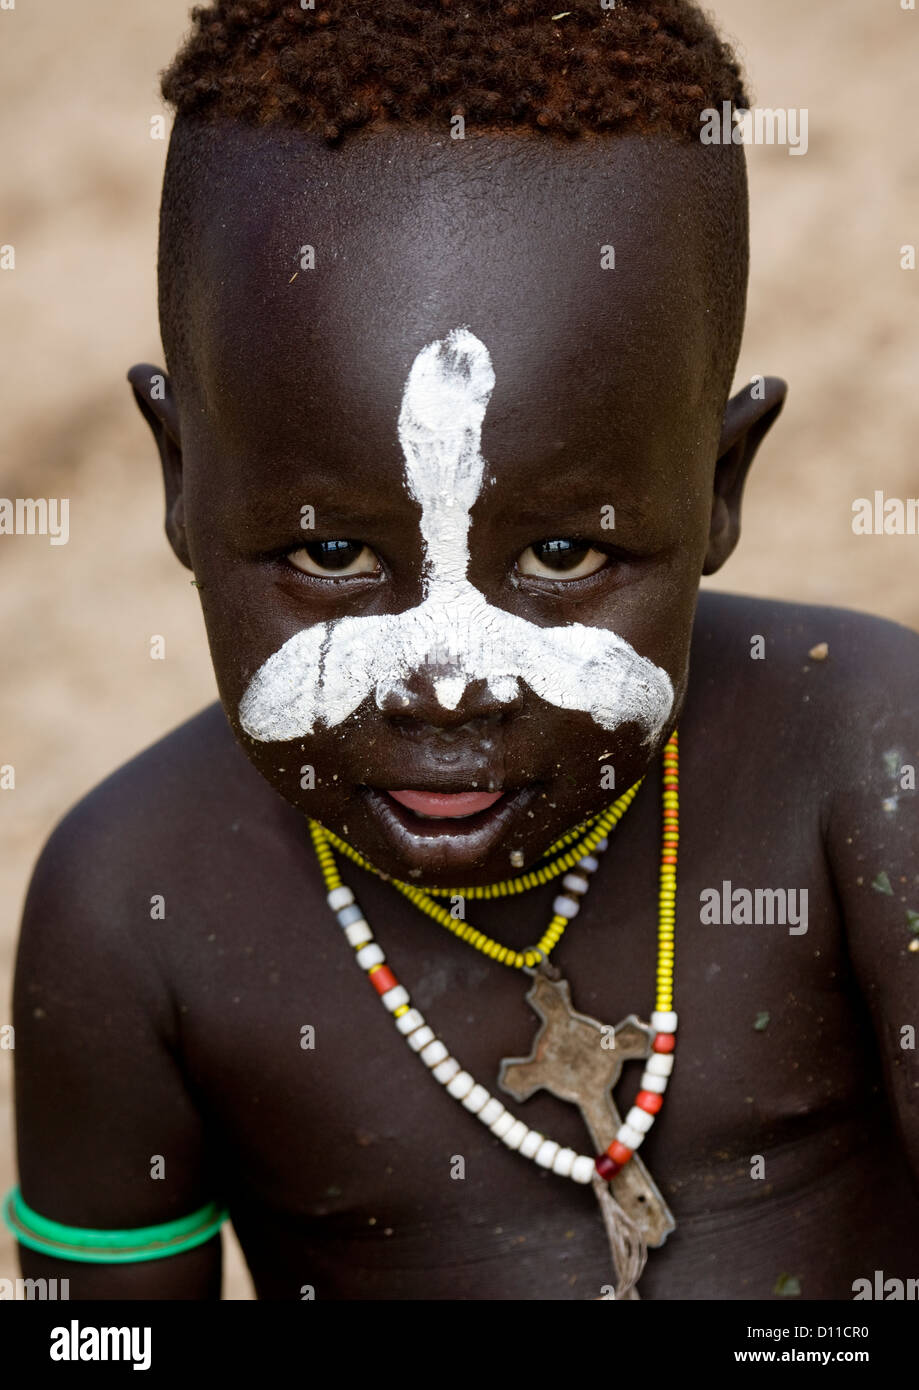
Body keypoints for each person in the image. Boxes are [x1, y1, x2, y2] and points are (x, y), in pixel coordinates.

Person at [6, 0, 918, 1301]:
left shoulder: (869, 766)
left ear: (718, 486)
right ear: (180, 480)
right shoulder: (135, 913)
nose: (447, 675)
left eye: (559, 557)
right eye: (331, 557)